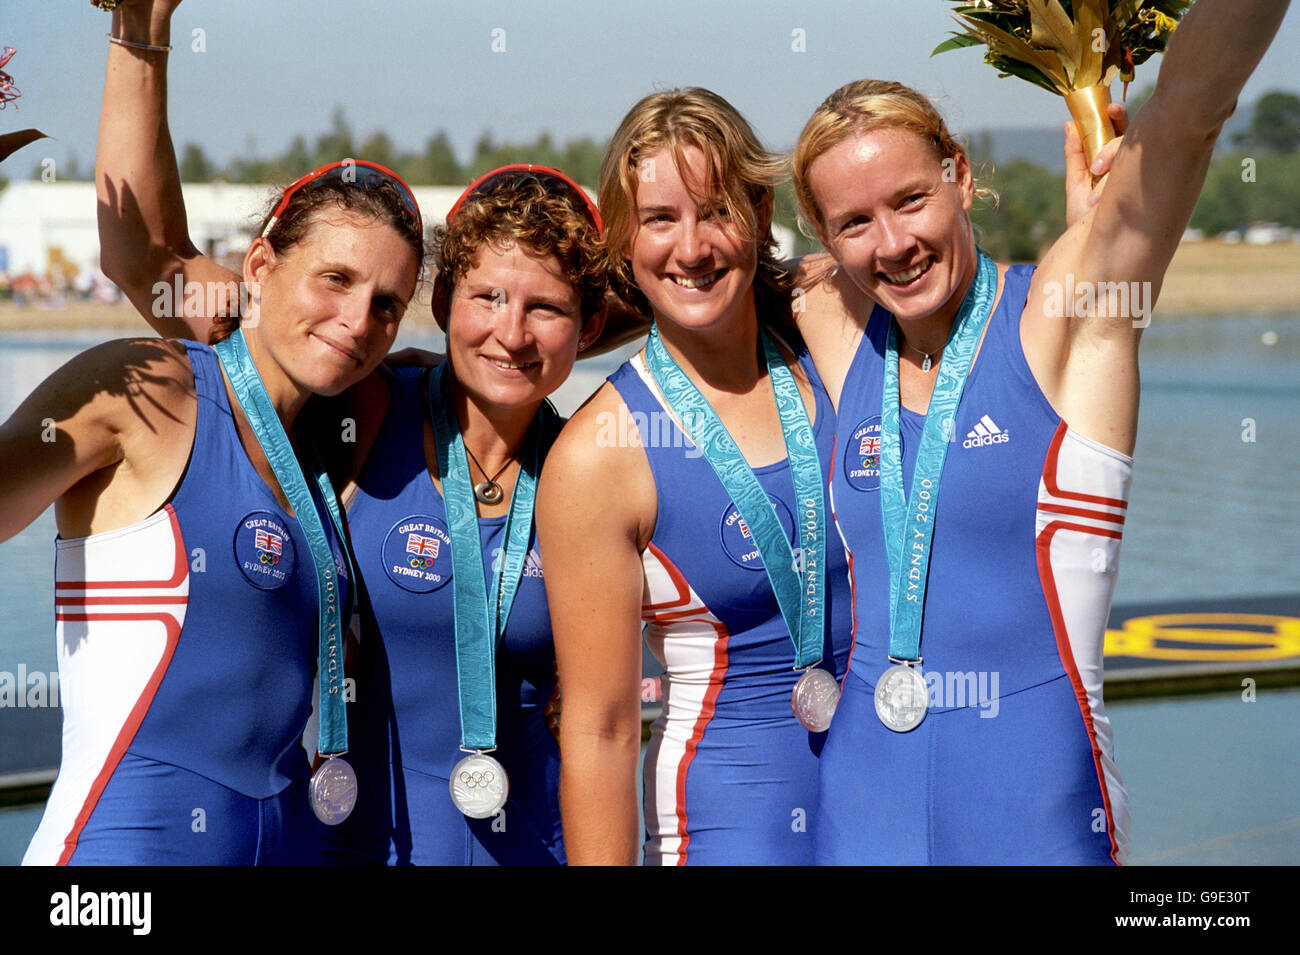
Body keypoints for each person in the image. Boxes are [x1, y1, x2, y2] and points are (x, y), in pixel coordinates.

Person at [93, 0, 610, 864]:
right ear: (442, 307)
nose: (512, 332)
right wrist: (139, 37)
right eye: (483, 299)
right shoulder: (364, 403)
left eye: (549, 309)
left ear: (586, 325)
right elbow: (149, 262)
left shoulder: (594, 457)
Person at [786, 0, 1289, 864]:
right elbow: (663, 275)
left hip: (1040, 818)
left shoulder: (1065, 316)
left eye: (911, 198)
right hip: (856, 815)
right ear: (823, 236)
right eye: (854, 222)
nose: (893, 243)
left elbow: (1190, 114)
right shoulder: (835, 325)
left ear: (960, 172)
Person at [8, 97, 424, 865]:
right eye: (334, 278)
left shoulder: (325, 457)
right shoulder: (153, 390)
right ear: (260, 266)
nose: (358, 319)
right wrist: (139, 31)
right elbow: (143, 245)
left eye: (387, 304)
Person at [537, 88, 852, 865]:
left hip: (886, 806)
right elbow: (601, 731)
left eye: (716, 210)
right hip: (729, 833)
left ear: (759, 208)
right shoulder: (599, 455)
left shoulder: (835, 348)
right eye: (660, 219)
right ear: (624, 237)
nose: (693, 246)